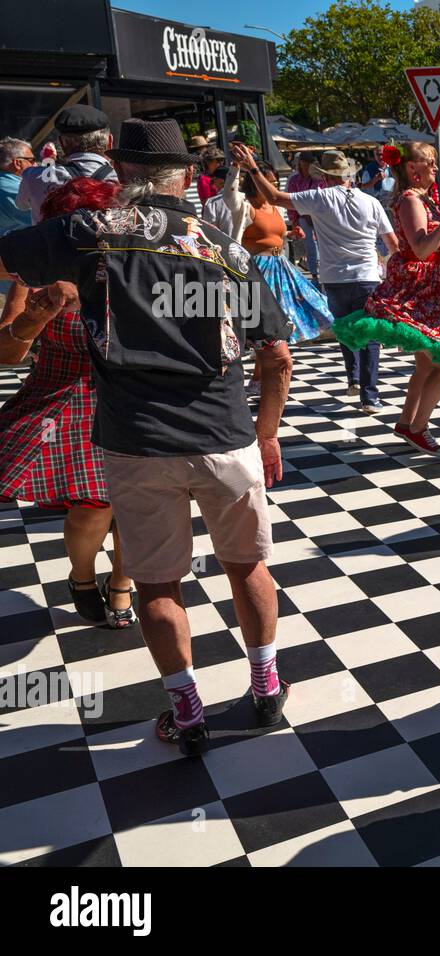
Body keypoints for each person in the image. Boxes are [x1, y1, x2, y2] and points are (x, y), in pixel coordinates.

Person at [0, 118, 296, 756]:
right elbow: (276, 357)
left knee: (160, 584)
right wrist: (267, 434)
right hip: (225, 434)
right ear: (186, 178)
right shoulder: (223, 245)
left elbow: (10, 255)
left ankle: (187, 714)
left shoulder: (91, 234)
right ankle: (266, 687)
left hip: (136, 441)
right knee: (247, 566)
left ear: (121, 176)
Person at [0, 178, 134, 628]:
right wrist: (36, 317)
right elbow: (7, 354)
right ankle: (80, 577)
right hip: (65, 398)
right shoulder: (33, 275)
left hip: (133, 398)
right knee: (96, 504)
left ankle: (121, 582)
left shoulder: (136, 265)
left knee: (139, 505)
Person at [327, 141, 440, 455]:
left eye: (434, 162)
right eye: (429, 163)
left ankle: (408, 424)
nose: (435, 168)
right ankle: (418, 428)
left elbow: (428, 244)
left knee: (426, 365)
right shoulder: (410, 200)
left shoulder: (422, 198)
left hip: (436, 286)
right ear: (411, 169)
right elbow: (420, 249)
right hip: (423, 290)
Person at [241, 148, 399, 413]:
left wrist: (252, 168)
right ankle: (370, 397)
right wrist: (384, 264)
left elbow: (274, 197)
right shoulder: (371, 201)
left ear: (325, 177)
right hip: (366, 276)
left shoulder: (320, 197)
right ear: (349, 176)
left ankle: (354, 379)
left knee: (344, 328)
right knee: (369, 335)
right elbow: (392, 244)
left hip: (334, 278)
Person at [222, 154, 334, 352]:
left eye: (274, 182)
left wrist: (290, 233)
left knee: (311, 304)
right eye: (269, 182)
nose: (272, 186)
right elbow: (229, 196)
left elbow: (274, 234)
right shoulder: (244, 205)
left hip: (280, 265)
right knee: (268, 320)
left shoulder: (275, 207)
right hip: (258, 267)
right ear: (256, 182)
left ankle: (269, 359)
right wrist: (236, 167)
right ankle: (262, 363)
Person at [16, 106, 116, 224]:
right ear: (110, 142)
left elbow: (21, 205)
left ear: (62, 144)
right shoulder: (123, 180)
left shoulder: (33, 176)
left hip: (51, 242)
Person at [286, 152, 324, 282]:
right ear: (300, 162)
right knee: (310, 244)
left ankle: (323, 271)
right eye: (306, 161)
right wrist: (294, 220)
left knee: (323, 243)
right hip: (303, 216)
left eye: (311, 161)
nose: (308, 164)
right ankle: (314, 273)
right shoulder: (294, 180)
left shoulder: (319, 179)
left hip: (319, 216)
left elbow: (323, 197)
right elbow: (291, 201)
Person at [0, 138, 33, 236]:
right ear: (18, 163)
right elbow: (47, 214)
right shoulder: (10, 188)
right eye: (32, 161)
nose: (36, 165)